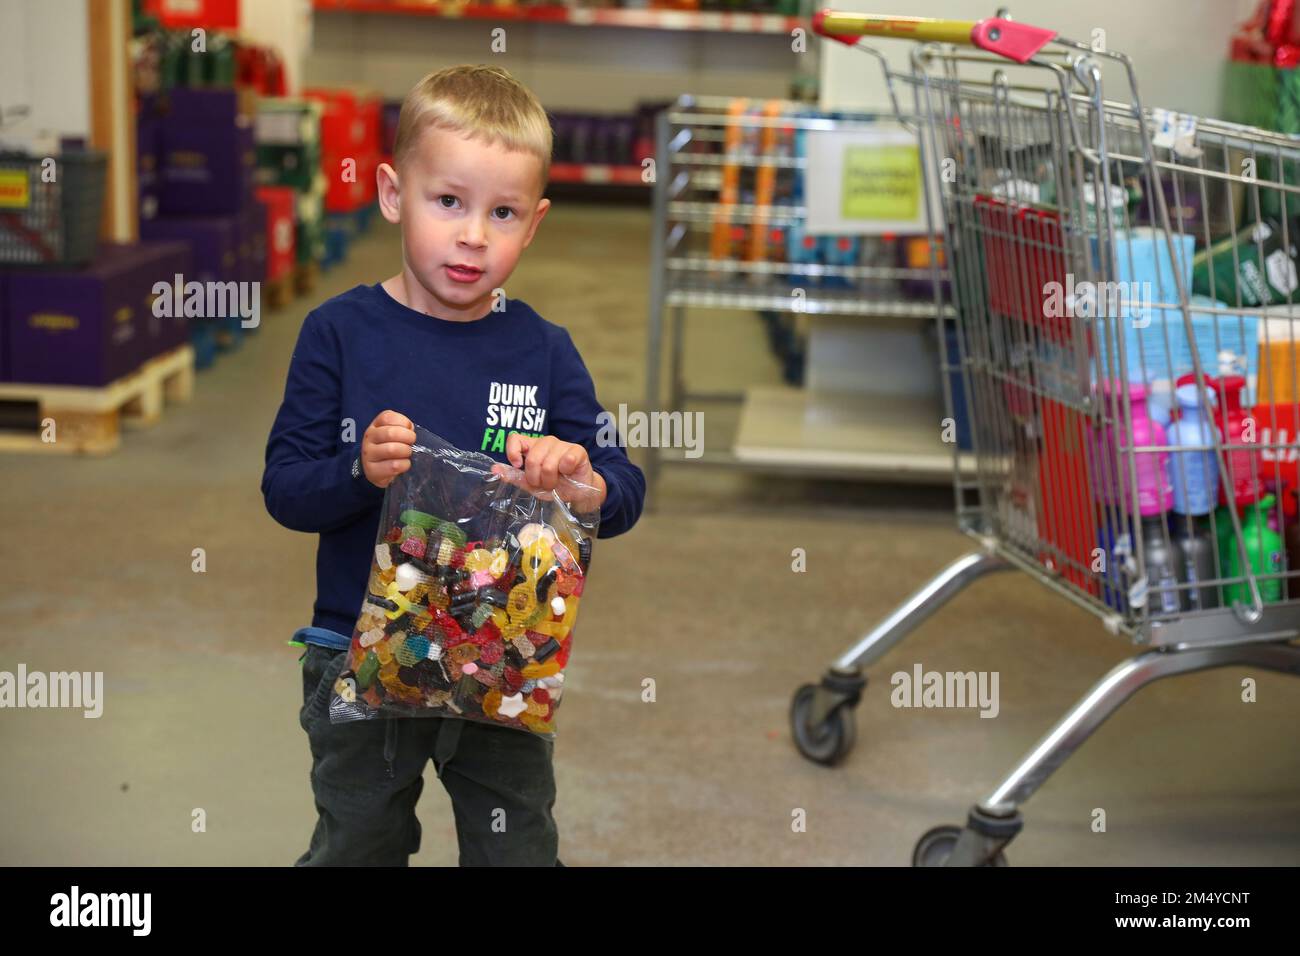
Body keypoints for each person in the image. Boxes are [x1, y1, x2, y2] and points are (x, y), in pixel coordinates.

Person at [261, 64, 645, 866]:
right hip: (359, 651)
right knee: (358, 842)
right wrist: (358, 472)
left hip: (501, 654)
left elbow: (623, 483)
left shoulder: (544, 350)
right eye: (449, 202)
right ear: (394, 194)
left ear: (533, 223)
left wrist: (583, 479)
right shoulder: (339, 333)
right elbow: (286, 490)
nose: (474, 234)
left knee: (518, 845)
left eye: (502, 212)